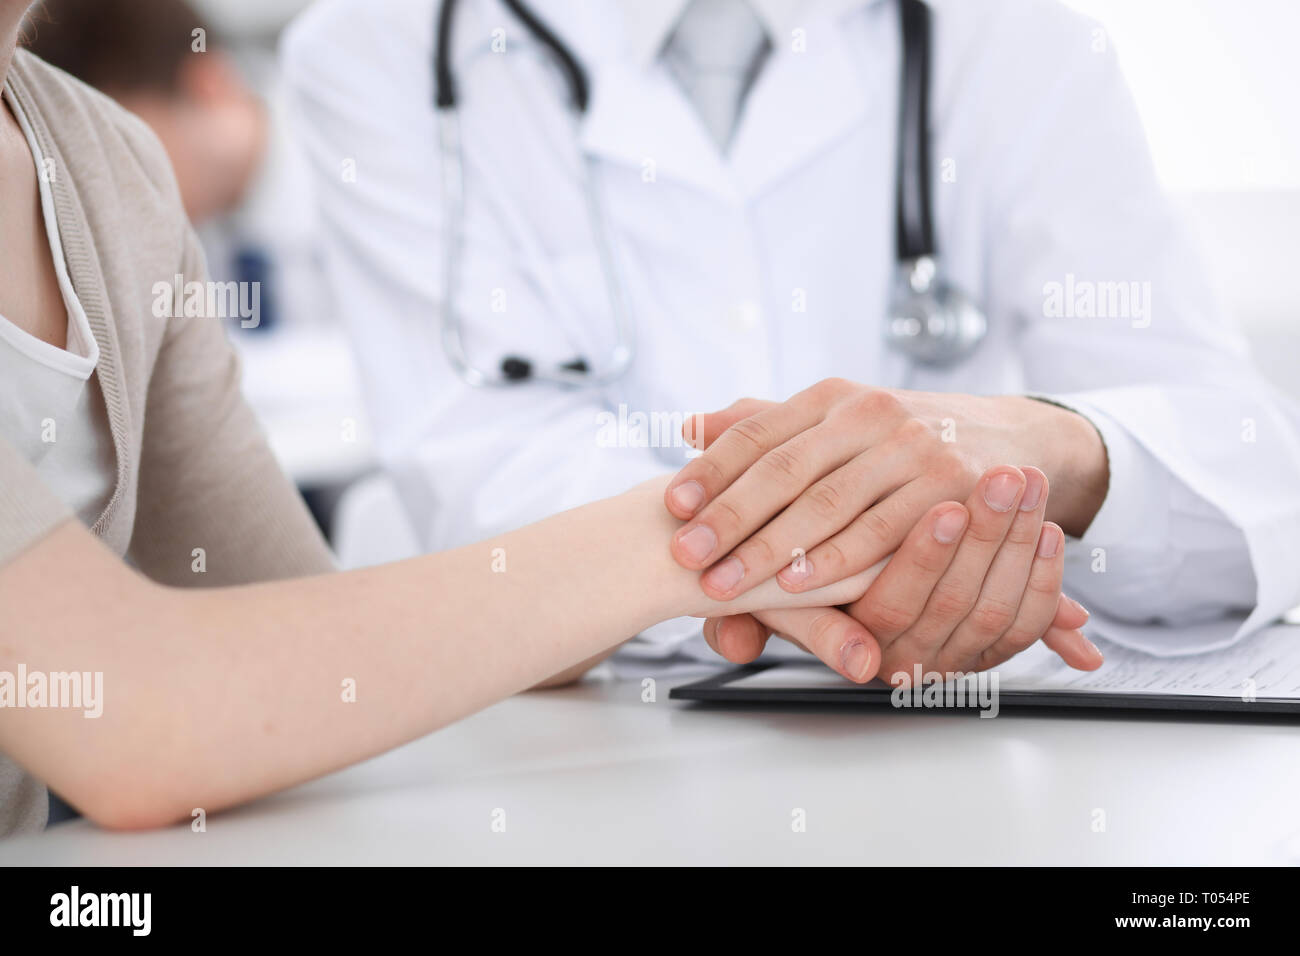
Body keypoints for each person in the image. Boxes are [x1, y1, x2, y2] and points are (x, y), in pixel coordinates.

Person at [0, 2, 1090, 837]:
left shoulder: (108, 167)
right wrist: (760, 522)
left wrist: (839, 511)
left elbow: (303, 656)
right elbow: (134, 713)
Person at [281, 0, 1300, 672]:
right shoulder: (376, 47)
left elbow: (1247, 474)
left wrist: (1054, 449)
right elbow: (485, 478)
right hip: (580, 748)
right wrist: (860, 544)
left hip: (960, 744)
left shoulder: (1011, 32)